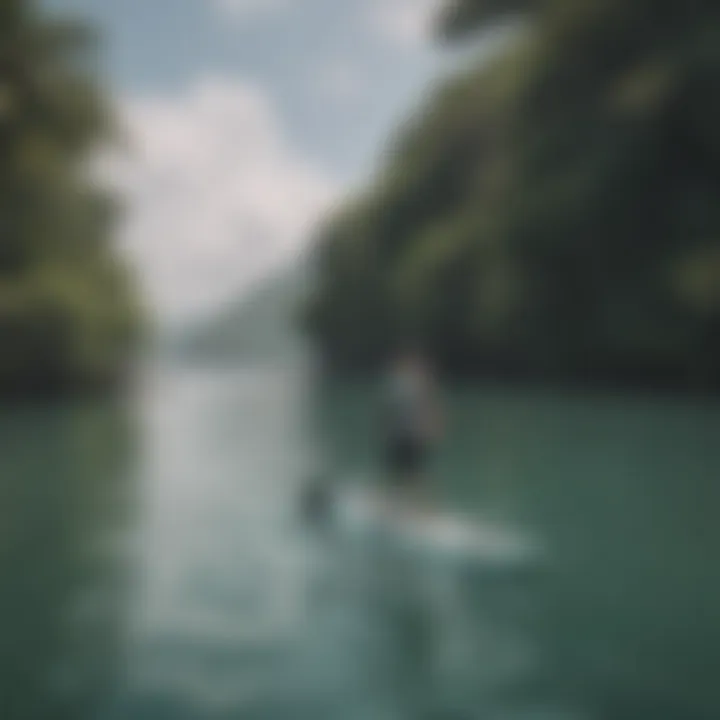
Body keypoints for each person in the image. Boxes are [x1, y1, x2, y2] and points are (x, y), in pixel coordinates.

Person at [381, 348, 443, 512]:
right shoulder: (405, 384)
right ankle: (403, 507)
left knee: (409, 475)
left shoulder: (406, 385)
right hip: (403, 438)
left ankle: (416, 508)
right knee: (405, 475)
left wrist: (430, 430)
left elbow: (428, 411)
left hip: (408, 439)